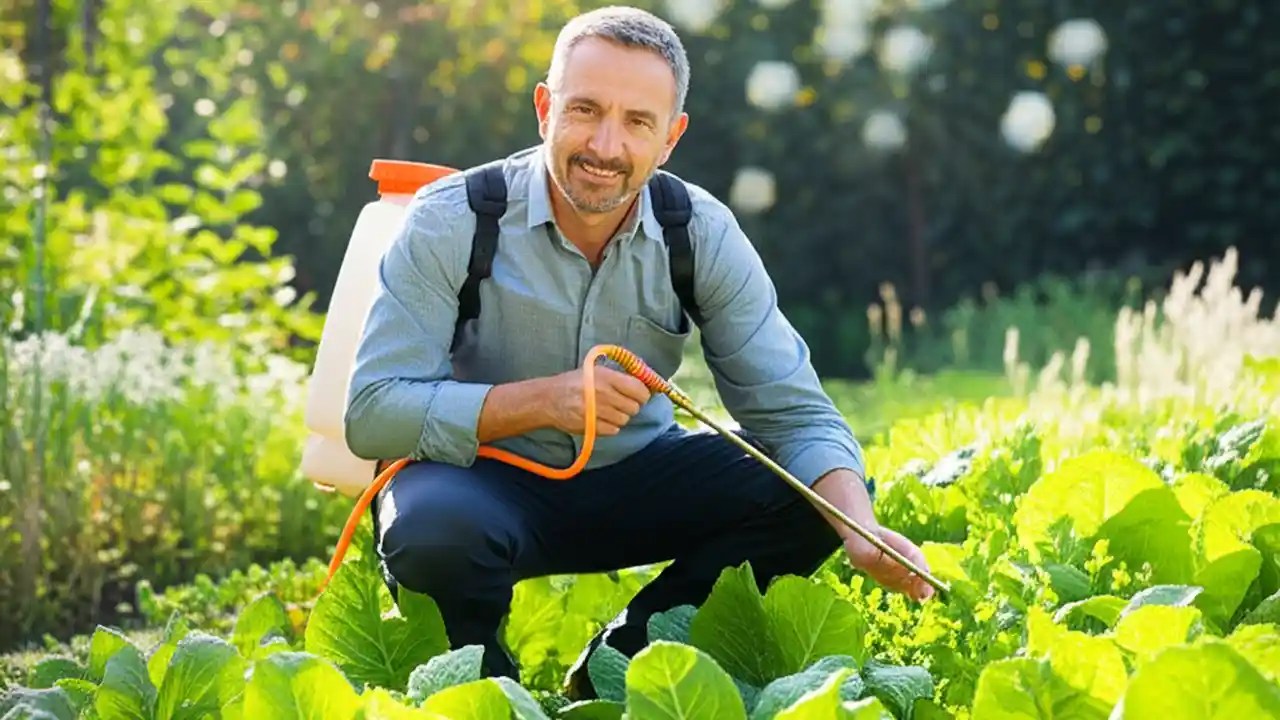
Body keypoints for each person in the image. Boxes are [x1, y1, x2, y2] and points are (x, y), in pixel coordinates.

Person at [343, 4, 933, 699]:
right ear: (544, 108)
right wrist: (543, 401)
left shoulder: (701, 234)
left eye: (637, 122)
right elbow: (372, 412)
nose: (605, 144)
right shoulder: (451, 220)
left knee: (814, 493)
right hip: (483, 483)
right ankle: (484, 693)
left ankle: (618, 669)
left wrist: (856, 528)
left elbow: (797, 417)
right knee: (432, 530)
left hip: (636, 478)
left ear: (670, 138)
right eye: (585, 110)